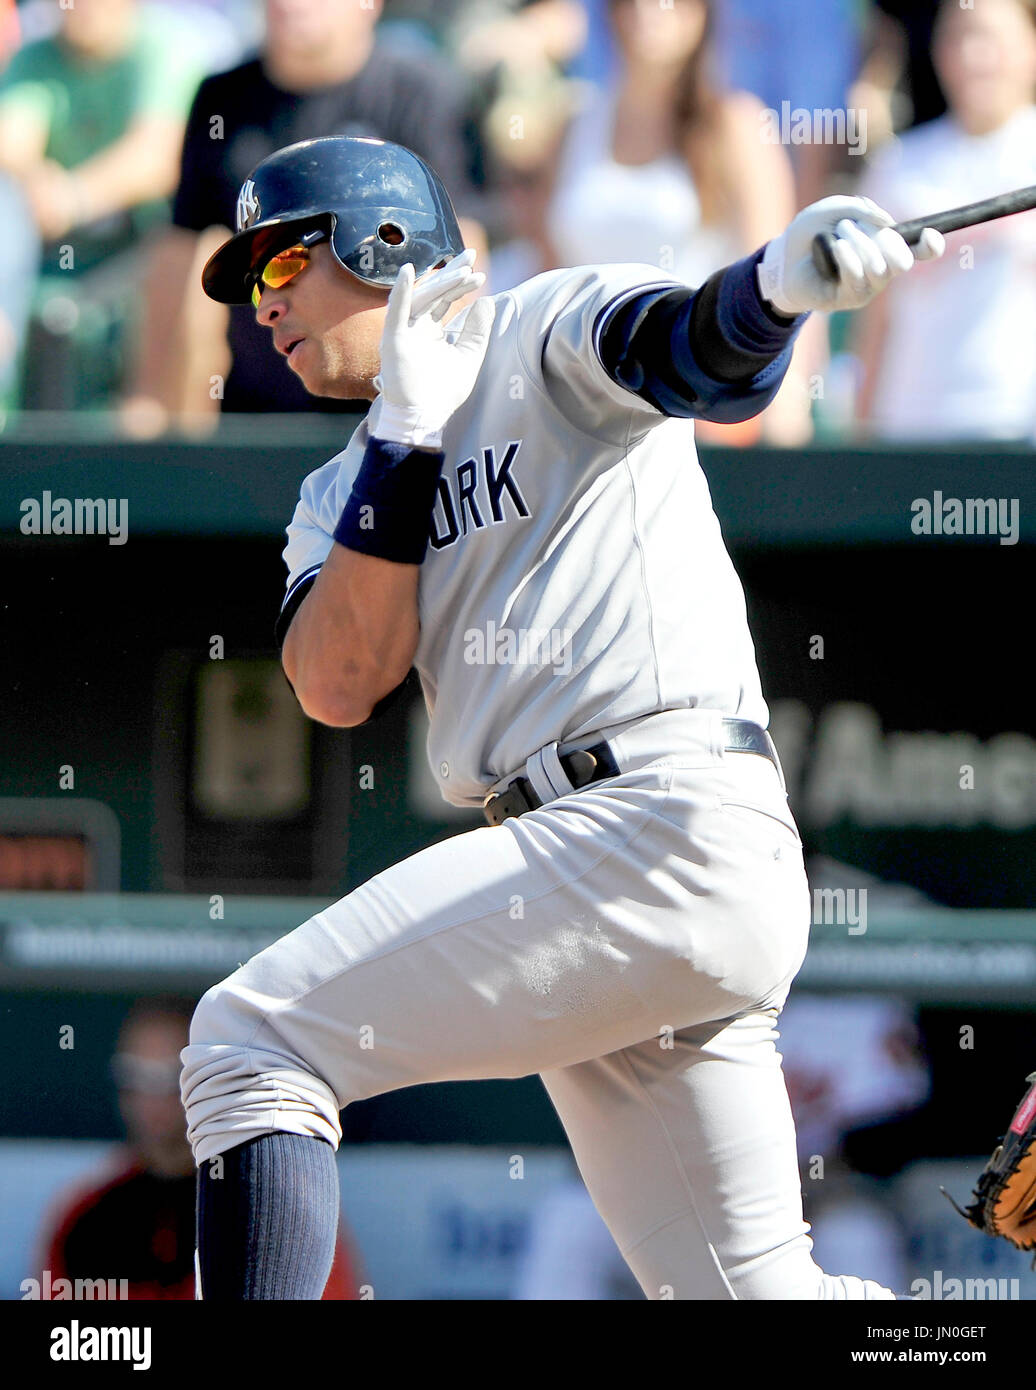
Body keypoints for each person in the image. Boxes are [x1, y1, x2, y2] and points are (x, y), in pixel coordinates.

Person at [179, 132, 944, 1300]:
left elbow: (694, 352)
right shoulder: (335, 491)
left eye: (279, 268)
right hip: (600, 858)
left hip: (656, 812)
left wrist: (778, 289)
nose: (257, 309)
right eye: (243, 286)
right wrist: (402, 441)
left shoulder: (542, 326)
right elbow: (337, 684)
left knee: (251, 1044)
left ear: (381, 244)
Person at [125, 0, 484, 429]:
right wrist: (150, 398)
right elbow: (180, 253)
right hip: (254, 412)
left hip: (387, 405)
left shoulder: (421, 91)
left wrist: (447, 396)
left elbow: (460, 248)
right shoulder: (221, 99)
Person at [543, 0, 815, 444]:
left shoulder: (737, 125)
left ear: (702, 15)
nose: (651, 12)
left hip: (701, 413)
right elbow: (548, 282)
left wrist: (786, 416)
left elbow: (780, 278)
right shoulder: (572, 128)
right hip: (584, 415)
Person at [36, 997, 359, 1300]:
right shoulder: (87, 1214)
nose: (152, 1097)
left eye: (170, 1076)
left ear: (206, 1077)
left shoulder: (274, 1201)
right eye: (135, 1075)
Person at [0, 0, 205, 408]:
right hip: (51, 258)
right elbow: (13, 141)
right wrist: (39, 186)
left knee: (194, 271)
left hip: (146, 250)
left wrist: (73, 197)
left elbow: (156, 159)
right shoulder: (36, 57)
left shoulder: (168, 48)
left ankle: (151, 425)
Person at [854, 0, 1036, 441]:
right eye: (956, 37)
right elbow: (875, 317)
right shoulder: (899, 164)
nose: (972, 57)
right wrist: (861, 429)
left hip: (1017, 434)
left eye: (989, 38)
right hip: (910, 432)